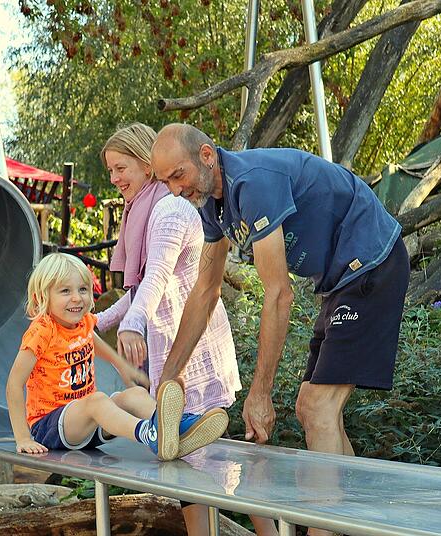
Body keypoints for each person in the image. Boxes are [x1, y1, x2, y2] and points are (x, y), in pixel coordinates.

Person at [150, 123, 408, 536]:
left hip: (373, 264)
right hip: (340, 281)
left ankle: (327, 528)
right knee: (311, 407)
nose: (175, 190)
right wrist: (169, 375)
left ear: (206, 155)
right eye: (165, 182)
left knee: (320, 408)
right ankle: (352, 522)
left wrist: (260, 393)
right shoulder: (214, 206)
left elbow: (278, 294)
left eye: (178, 175)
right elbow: (205, 291)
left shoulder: (254, 184)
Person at [98, 124, 275, 536]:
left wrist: (132, 323)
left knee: (216, 463)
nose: (115, 178)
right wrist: (99, 321)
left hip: (194, 353)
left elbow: (158, 277)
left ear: (146, 165)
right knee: (190, 464)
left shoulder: (169, 211)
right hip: (173, 351)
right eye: (110, 171)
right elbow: (139, 288)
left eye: (121, 168)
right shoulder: (143, 212)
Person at [6, 252, 228, 459]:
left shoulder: (82, 323)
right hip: (50, 426)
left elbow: (92, 341)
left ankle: (176, 429)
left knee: (135, 394)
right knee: (98, 400)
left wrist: (122, 365)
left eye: (82, 289)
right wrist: (23, 437)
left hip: (88, 425)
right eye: (65, 291)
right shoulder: (42, 331)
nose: (77, 298)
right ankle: (150, 434)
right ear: (41, 297)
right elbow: (14, 384)